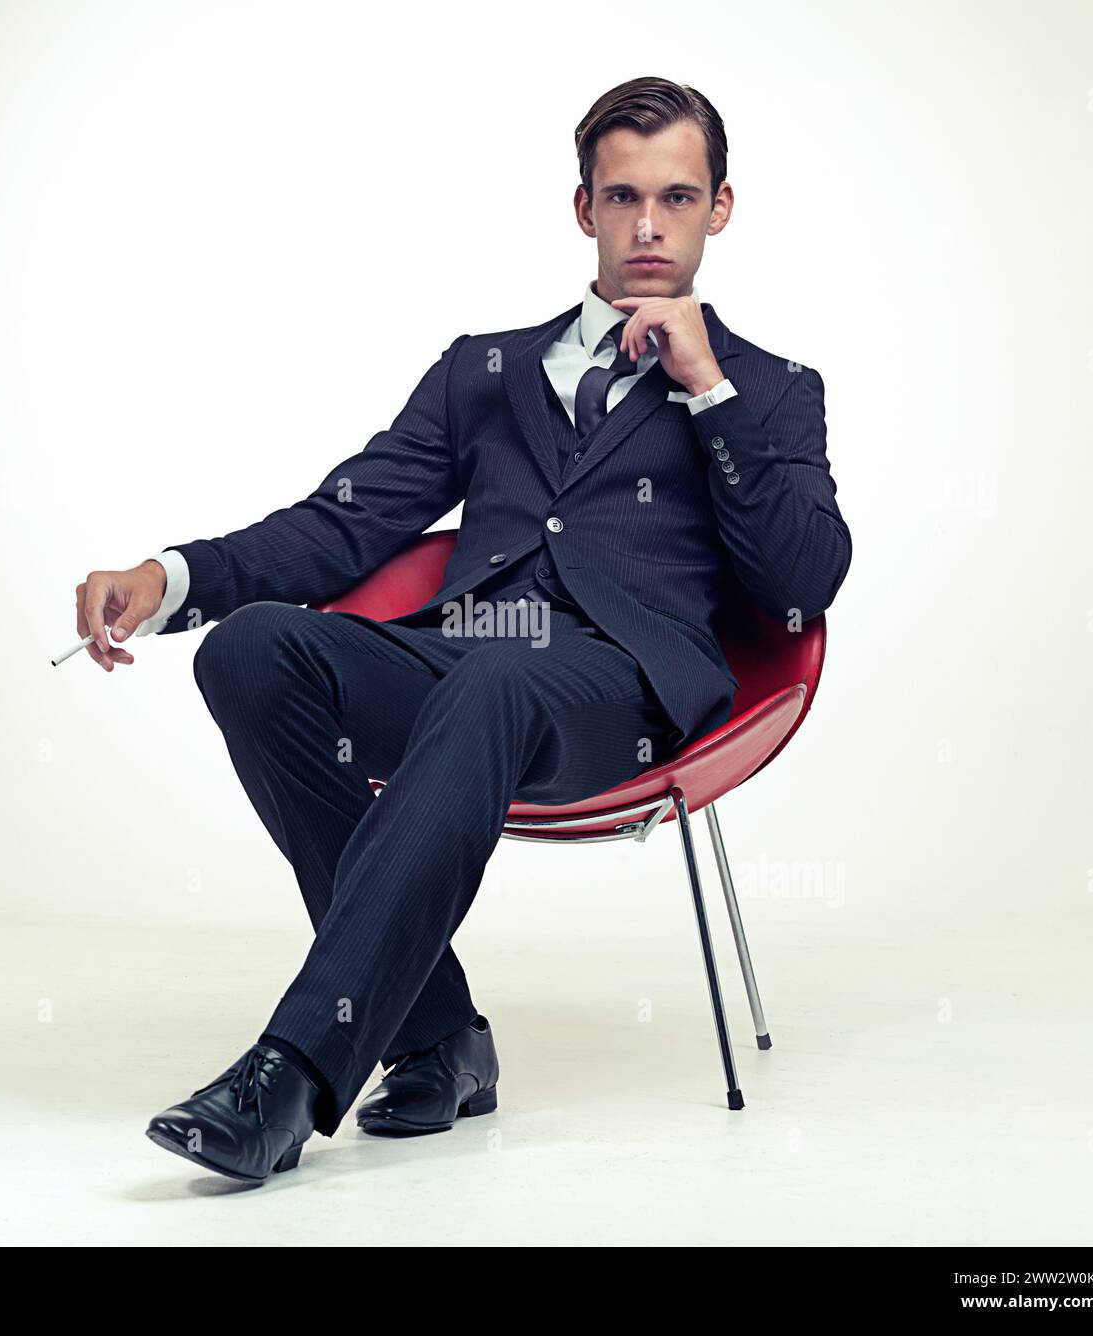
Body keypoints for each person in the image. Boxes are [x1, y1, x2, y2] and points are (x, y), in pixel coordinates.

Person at [72, 75, 853, 1183]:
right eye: (620, 196)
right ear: (581, 208)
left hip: (615, 692)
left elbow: (799, 584)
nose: (646, 226)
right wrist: (171, 574)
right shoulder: (481, 370)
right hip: (463, 660)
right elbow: (346, 523)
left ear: (719, 207)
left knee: (499, 680)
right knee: (249, 649)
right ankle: (439, 1035)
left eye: (675, 198)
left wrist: (706, 389)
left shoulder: (769, 390)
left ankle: (293, 1070)